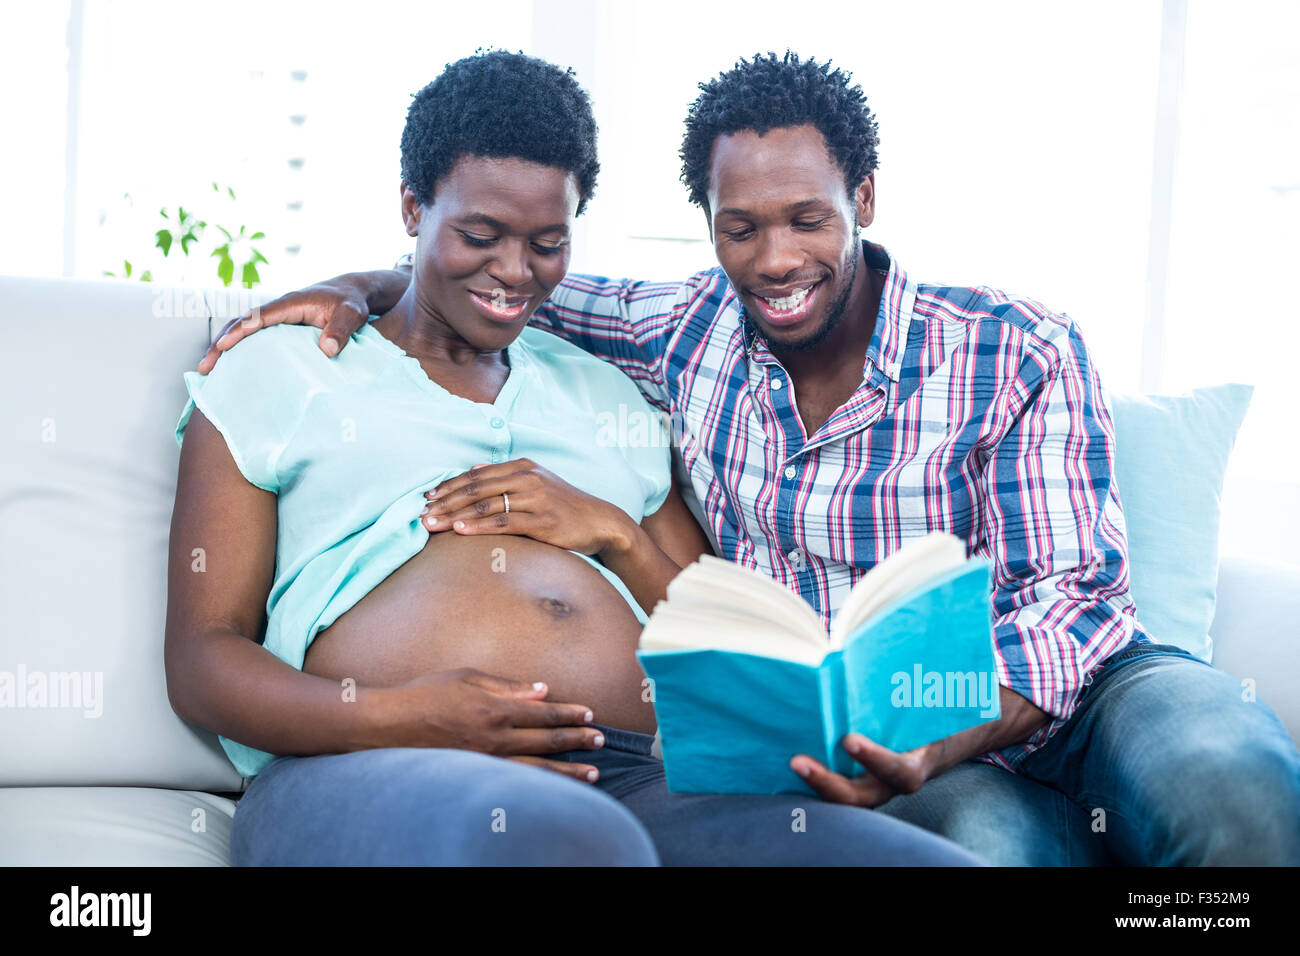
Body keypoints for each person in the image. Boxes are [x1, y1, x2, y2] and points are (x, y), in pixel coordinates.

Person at [209, 51, 1300, 866]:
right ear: (709, 227)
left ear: (861, 203)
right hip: (878, 755)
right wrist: (355, 289)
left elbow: (1067, 601)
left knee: (1224, 788)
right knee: (978, 849)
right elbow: (490, 274)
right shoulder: (681, 330)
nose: (776, 260)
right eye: (741, 228)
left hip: (1061, 691)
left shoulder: (1013, 343)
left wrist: (930, 722)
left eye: (805, 219)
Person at [166, 50, 979, 866]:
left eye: (547, 242)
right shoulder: (284, 369)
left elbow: (724, 643)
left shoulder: (605, 391)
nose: (515, 273)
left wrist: (615, 533)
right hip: (366, 760)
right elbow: (204, 658)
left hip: (641, 773)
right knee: (572, 845)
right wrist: (404, 714)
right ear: (412, 208)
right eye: (481, 236)